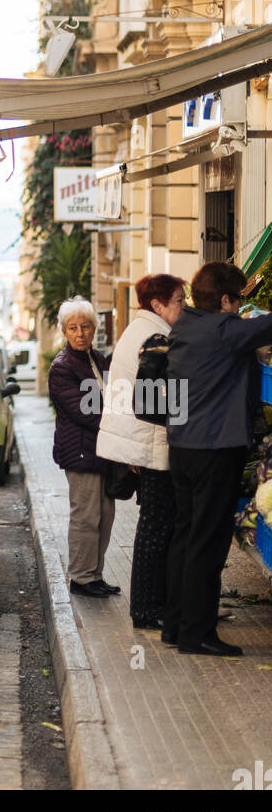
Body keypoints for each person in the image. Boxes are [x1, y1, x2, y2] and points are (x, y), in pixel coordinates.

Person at [163, 261, 272, 657]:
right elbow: (264, 327)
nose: (241, 306)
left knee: (185, 535)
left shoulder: (186, 325)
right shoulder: (224, 331)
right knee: (208, 545)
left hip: (182, 449)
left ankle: (175, 625)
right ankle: (197, 634)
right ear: (225, 299)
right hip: (213, 450)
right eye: (238, 299)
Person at [96, 274, 186, 629]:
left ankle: (150, 606)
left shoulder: (138, 330)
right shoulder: (154, 338)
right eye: (178, 300)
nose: (184, 306)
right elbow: (151, 400)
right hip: (149, 441)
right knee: (155, 527)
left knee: (153, 526)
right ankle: (147, 610)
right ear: (158, 304)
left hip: (139, 441)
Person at [48, 296, 118, 599]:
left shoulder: (97, 358)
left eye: (85, 327)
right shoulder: (62, 367)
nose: (80, 333)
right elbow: (85, 411)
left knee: (104, 515)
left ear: (94, 329)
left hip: (102, 451)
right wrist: (118, 423)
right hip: (80, 452)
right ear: (65, 331)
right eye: (73, 328)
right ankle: (80, 577)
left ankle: (95, 574)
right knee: (86, 516)